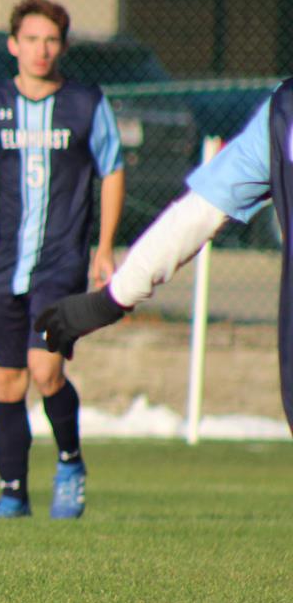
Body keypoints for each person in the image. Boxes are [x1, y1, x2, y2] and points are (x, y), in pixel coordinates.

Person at [0, 0, 126, 520]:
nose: (42, 50)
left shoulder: (86, 103)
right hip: (7, 264)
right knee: (7, 380)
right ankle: (13, 494)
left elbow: (112, 170)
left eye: (52, 40)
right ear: (13, 44)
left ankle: (70, 464)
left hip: (62, 262)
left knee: (45, 371)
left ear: (63, 46)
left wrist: (105, 246)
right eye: (32, 39)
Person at [36, 78, 293, 434]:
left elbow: (197, 216)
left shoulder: (285, 109)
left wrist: (112, 299)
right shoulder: (283, 112)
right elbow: (199, 213)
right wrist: (109, 300)